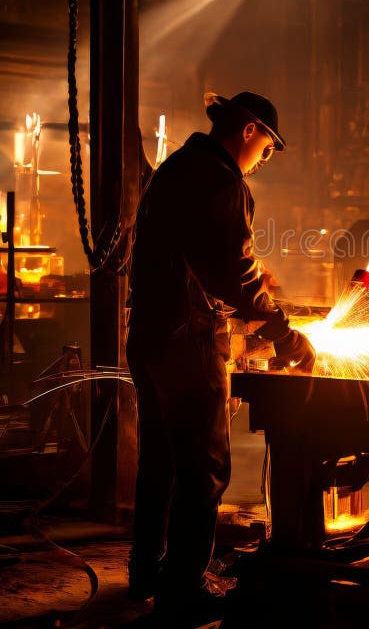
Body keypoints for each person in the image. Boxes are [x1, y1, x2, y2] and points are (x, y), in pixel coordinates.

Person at [125, 90, 315, 615]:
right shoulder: (223, 180)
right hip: (188, 341)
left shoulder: (177, 167)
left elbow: (202, 260)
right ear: (249, 130)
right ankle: (183, 589)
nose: (263, 160)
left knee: (159, 461)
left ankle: (146, 572)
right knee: (204, 469)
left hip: (148, 335)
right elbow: (235, 272)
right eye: (267, 149)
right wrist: (285, 333)